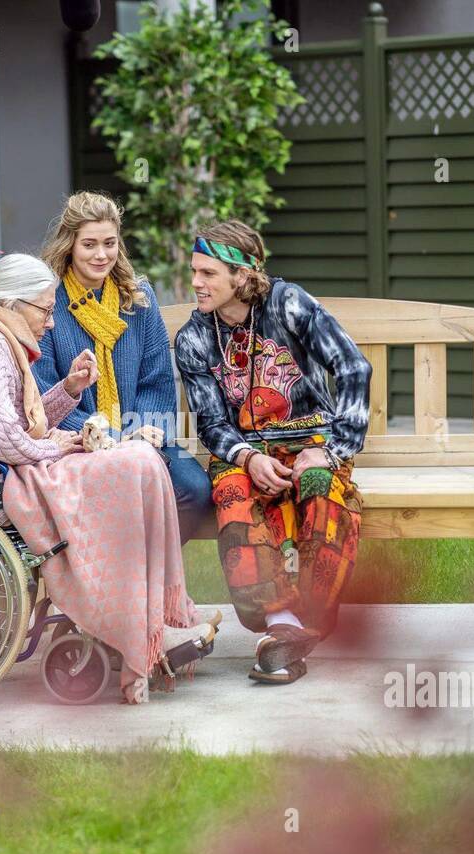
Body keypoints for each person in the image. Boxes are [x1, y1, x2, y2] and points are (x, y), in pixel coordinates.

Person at [0, 253, 218, 703]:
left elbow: (18, 424)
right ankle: (134, 629)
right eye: (44, 310)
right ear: (12, 304)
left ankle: (153, 623)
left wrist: (69, 390)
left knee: (137, 461)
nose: (52, 323)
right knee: (129, 467)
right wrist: (59, 447)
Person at [174, 221, 371, 686]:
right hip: (244, 451)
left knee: (322, 492)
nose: (196, 283)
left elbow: (352, 367)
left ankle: (302, 626)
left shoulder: (289, 304)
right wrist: (247, 458)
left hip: (312, 442)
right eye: (194, 272)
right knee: (234, 502)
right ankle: (282, 625)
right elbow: (211, 424)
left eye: (208, 273)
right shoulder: (194, 338)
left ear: (241, 276)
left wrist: (334, 450)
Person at [34, 191, 213, 542]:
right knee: (110, 495)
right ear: (69, 244)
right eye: (89, 244)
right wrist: (111, 443)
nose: (101, 255)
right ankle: (114, 579)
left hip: (141, 436)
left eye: (109, 243)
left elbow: (157, 381)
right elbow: (44, 392)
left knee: (195, 491)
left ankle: (136, 571)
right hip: (77, 443)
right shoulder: (48, 302)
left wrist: (138, 438)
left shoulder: (138, 298)